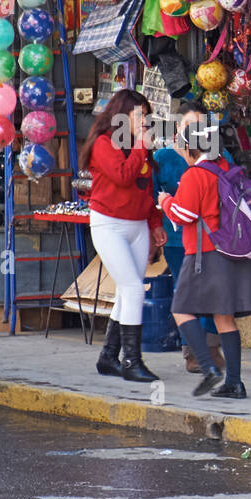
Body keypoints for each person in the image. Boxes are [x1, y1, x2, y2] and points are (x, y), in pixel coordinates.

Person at [159, 112, 251, 399]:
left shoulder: (196, 174)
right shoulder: (224, 168)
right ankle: (235, 382)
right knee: (224, 318)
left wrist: (166, 202)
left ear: (191, 149)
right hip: (232, 251)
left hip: (204, 253)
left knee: (181, 310)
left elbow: (184, 213)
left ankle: (209, 368)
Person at [83, 89, 166, 382]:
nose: (145, 121)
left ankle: (108, 356)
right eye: (139, 115)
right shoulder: (104, 144)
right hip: (109, 224)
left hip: (138, 225)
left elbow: (146, 187)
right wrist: (143, 148)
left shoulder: (138, 145)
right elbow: (123, 176)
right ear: (121, 115)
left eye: (147, 115)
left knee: (126, 290)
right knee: (132, 289)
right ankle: (132, 362)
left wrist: (156, 223)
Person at [153, 102, 224, 374]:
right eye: (188, 126)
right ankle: (192, 352)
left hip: (211, 240)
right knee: (184, 295)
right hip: (176, 240)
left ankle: (211, 348)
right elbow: (152, 197)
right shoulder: (162, 157)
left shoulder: (217, 154)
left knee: (210, 293)